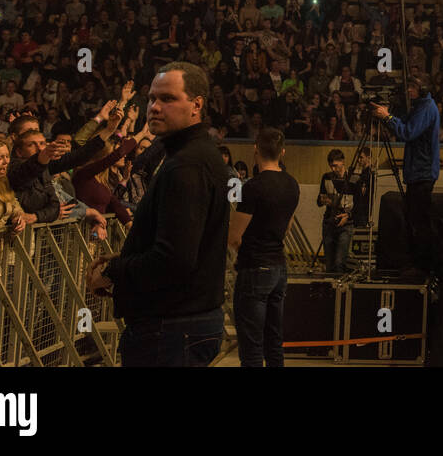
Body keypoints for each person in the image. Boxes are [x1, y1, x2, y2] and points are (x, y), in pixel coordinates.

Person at [85, 62, 230, 367]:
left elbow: (174, 259)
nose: (154, 107)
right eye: (152, 98)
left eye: (167, 99)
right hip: (178, 325)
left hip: (172, 328)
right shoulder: (188, 155)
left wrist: (113, 274)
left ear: (196, 105)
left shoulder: (188, 165)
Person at [228, 127, 299, 368]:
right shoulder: (292, 184)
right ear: (283, 152)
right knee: (273, 341)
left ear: (255, 149)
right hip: (279, 267)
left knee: (251, 346)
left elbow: (234, 236)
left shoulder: (253, 187)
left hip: (255, 267)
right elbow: (286, 228)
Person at [372, 76, 440, 274]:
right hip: (418, 172)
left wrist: (387, 117)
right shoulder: (421, 106)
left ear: (422, 88)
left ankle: (422, 268)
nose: (408, 91)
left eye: (412, 87)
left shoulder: (426, 108)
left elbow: (408, 133)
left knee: (419, 223)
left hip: (422, 173)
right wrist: (388, 116)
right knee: (415, 221)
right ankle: (418, 265)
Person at [318, 149, 355, 274]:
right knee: (329, 263)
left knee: (339, 262)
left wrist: (348, 215)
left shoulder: (353, 179)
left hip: (346, 222)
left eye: (335, 165)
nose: (333, 169)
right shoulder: (326, 177)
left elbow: (360, 204)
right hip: (329, 221)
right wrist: (323, 200)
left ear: (342, 162)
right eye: (331, 166)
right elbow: (319, 200)